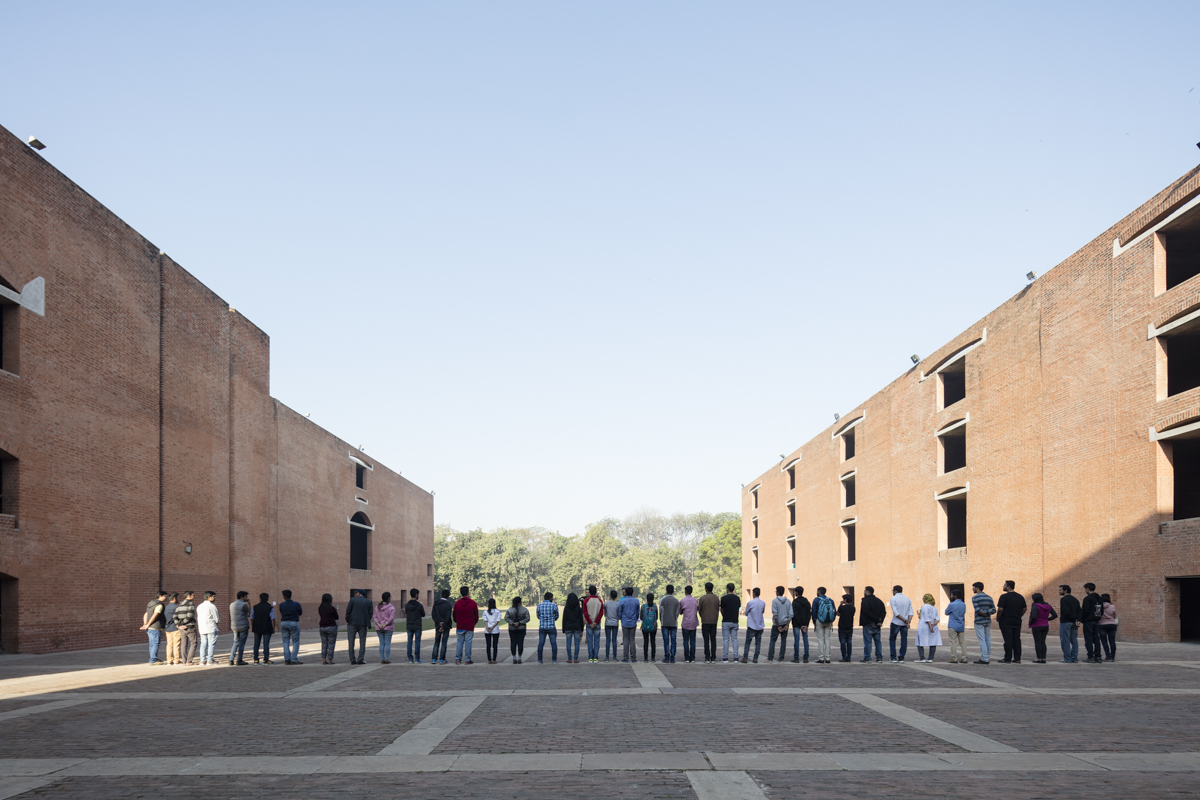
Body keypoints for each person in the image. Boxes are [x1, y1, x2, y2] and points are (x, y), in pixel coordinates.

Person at [996, 580, 1027, 664]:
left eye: (1004, 585)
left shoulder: (1003, 597)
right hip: (1017, 620)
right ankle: (1017, 658)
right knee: (1017, 639)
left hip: (1006, 620)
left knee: (1008, 640)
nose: (1003, 586)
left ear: (1008, 586)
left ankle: (1008, 658)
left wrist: (998, 618)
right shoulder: (1020, 597)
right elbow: (1024, 608)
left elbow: (1000, 609)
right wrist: (1019, 615)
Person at [1028, 592, 1057, 663]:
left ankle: (1039, 658)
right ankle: (1043, 658)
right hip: (1045, 625)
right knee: (1043, 642)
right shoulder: (1048, 606)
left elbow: (1034, 616)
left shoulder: (1035, 606)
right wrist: (1047, 619)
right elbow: (1055, 615)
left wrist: (1031, 622)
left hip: (1037, 625)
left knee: (1037, 642)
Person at [453, 586, 480, 665]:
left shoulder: (457, 603)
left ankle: (458, 659)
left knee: (459, 642)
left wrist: (457, 621)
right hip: (469, 626)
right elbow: (476, 615)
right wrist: (473, 623)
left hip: (460, 626)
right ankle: (467, 659)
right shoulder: (473, 603)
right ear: (468, 592)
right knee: (468, 642)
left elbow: (454, 615)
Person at [139, 590, 167, 665]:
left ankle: (153, 658)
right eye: (165, 596)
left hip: (150, 628)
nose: (166, 598)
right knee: (155, 643)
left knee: (152, 644)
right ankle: (153, 659)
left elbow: (146, 614)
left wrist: (145, 624)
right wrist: (148, 624)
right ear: (160, 596)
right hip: (155, 627)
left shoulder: (151, 603)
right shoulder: (159, 605)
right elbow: (155, 615)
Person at [346, 589, 373, 665]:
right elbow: (370, 613)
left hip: (352, 623)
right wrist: (366, 620)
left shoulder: (352, 600)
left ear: (359, 593)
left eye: (357, 593)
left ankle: (352, 659)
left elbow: (348, 611)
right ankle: (360, 659)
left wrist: (348, 620)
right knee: (362, 641)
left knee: (351, 641)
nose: (356, 594)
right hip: (363, 623)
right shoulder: (368, 601)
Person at [859, 586, 886, 663]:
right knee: (878, 642)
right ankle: (879, 657)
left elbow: (867, 612)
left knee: (868, 642)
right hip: (877, 625)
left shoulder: (865, 601)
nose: (864, 592)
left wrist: (877, 619)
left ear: (867, 592)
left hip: (868, 624)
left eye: (865, 591)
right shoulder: (879, 601)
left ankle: (867, 657)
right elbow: (883, 612)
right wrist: (880, 620)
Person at [971, 582, 995, 665]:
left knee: (982, 640)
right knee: (987, 639)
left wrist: (983, 612)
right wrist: (987, 612)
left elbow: (978, 610)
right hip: (987, 620)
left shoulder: (975, 598)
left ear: (977, 588)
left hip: (979, 621)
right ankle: (987, 656)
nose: (972, 589)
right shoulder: (989, 598)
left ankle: (984, 658)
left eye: (973, 587)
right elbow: (994, 610)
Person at [1081, 583, 1105, 664]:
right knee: (1096, 639)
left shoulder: (1087, 599)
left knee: (1088, 639)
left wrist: (1081, 619)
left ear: (1087, 589)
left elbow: (1085, 611)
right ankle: (1098, 656)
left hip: (1088, 621)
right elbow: (1101, 611)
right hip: (1096, 620)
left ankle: (1090, 656)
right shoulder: (1100, 599)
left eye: (1085, 589)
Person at [767, 586, 792, 662]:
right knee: (783, 641)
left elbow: (775, 614)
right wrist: (787, 625)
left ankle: (770, 657)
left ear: (777, 592)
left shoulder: (775, 601)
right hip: (785, 623)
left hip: (776, 624)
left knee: (773, 641)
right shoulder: (788, 601)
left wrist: (778, 625)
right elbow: (791, 614)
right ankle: (781, 657)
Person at [811, 587, 836, 664]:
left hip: (819, 620)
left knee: (820, 639)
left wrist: (814, 621)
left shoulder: (816, 600)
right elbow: (834, 611)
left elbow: (814, 612)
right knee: (827, 639)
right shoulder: (830, 600)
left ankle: (821, 658)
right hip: (828, 621)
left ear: (818, 592)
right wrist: (832, 620)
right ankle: (828, 658)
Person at [914, 593, 942, 662]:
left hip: (924, 626)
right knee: (933, 642)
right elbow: (937, 618)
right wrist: (933, 625)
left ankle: (922, 658)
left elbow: (926, 618)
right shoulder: (934, 608)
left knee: (920, 642)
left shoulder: (924, 606)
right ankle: (930, 658)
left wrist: (930, 626)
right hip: (934, 626)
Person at [888, 586, 913, 663]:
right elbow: (911, 612)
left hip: (896, 622)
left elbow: (896, 613)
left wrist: (904, 620)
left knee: (892, 639)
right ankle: (901, 657)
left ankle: (893, 657)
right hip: (904, 624)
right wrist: (908, 622)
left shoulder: (893, 599)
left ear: (895, 591)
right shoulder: (907, 599)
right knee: (904, 640)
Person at [173, 591, 198, 666]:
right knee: (193, 643)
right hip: (189, 626)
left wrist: (179, 624)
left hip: (181, 628)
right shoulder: (190, 604)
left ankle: (184, 660)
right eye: (193, 595)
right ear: (189, 595)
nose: (194, 596)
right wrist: (183, 623)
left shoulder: (179, 605)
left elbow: (174, 616)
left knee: (184, 644)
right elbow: (190, 616)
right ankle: (189, 661)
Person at [741, 587, 765, 663]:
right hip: (760, 625)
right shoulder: (763, 603)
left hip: (751, 625)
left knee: (748, 642)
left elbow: (746, 613)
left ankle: (745, 657)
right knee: (758, 643)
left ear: (754, 593)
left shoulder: (750, 603)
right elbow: (762, 611)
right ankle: (755, 658)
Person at [698, 582, 720, 663]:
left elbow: (699, 610)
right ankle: (713, 657)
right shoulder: (716, 598)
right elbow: (718, 609)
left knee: (706, 640)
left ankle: (707, 657)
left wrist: (703, 616)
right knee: (713, 639)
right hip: (714, 621)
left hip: (705, 621)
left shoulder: (702, 598)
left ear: (706, 589)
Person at [280, 589, 304, 665]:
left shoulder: (281, 605)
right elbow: (300, 612)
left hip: (284, 622)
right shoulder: (296, 604)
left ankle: (287, 659)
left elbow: (281, 612)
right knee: (295, 641)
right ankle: (294, 659)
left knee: (285, 641)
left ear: (284, 596)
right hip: (293, 622)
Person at [251, 592, 276, 665]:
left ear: (260, 598)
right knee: (266, 644)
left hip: (257, 627)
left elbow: (251, 618)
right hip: (267, 627)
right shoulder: (270, 608)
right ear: (267, 599)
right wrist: (273, 627)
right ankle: (265, 660)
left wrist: (253, 626)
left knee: (256, 644)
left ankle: (256, 660)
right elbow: (272, 618)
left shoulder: (255, 607)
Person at [1058, 585, 1081, 664]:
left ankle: (1067, 658)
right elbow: (1079, 611)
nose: (1059, 591)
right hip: (1075, 623)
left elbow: (1066, 611)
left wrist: (1073, 619)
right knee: (1074, 641)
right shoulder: (1075, 600)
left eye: (1060, 590)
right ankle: (1074, 658)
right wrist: (1077, 620)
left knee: (1065, 640)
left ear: (1065, 591)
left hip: (1066, 622)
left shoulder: (1063, 599)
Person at [583, 585, 606, 663]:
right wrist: (596, 622)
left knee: (589, 641)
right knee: (596, 641)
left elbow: (585, 613)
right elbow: (601, 613)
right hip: (597, 623)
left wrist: (590, 622)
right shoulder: (599, 601)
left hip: (589, 623)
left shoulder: (586, 601)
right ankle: (595, 657)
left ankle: (590, 657)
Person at [943, 590, 967, 664]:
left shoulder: (952, 604)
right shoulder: (963, 604)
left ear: (955, 596)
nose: (951, 596)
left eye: (952, 595)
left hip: (953, 625)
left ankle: (954, 657)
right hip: (961, 624)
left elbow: (946, 612)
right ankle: (964, 658)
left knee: (953, 642)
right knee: (962, 642)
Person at [197, 591, 220, 666]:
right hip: (211, 627)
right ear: (209, 597)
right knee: (211, 644)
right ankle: (210, 660)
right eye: (213, 596)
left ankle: (202, 660)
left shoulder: (199, 606)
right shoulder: (212, 606)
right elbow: (216, 618)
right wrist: (217, 623)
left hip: (202, 627)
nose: (214, 598)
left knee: (203, 644)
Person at [228, 591, 251, 666]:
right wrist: (249, 604)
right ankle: (239, 660)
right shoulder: (244, 604)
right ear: (242, 597)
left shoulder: (231, 604)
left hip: (234, 626)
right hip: (243, 626)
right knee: (242, 643)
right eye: (246, 597)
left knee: (235, 642)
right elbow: (249, 613)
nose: (246, 598)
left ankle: (231, 659)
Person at [720, 583, 742, 663]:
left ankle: (725, 657)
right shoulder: (737, 598)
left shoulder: (724, 598)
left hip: (726, 621)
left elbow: (722, 609)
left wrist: (724, 615)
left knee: (726, 640)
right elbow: (738, 608)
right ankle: (736, 657)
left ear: (727, 589)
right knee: (734, 639)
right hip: (735, 621)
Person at [537, 591, 560, 664]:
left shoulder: (539, 605)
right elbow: (557, 615)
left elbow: (538, 616)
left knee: (541, 643)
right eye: (552, 598)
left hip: (542, 627)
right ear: (550, 598)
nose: (552, 599)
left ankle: (540, 660)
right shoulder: (554, 605)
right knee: (553, 643)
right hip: (551, 626)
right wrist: (552, 619)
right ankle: (554, 660)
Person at [431, 589, 453, 665]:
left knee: (436, 642)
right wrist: (443, 625)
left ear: (441, 595)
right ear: (448, 596)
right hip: (446, 626)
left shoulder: (436, 604)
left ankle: (433, 659)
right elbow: (448, 616)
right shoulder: (448, 605)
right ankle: (442, 659)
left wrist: (439, 623)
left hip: (438, 625)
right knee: (444, 642)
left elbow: (433, 615)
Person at [373, 592, 396, 664]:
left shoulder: (377, 607)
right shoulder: (391, 607)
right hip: (388, 627)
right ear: (388, 598)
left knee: (381, 643)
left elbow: (374, 617)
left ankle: (382, 658)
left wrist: (379, 624)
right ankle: (387, 659)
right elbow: (391, 617)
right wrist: (385, 624)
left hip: (379, 627)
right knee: (387, 643)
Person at [660, 585, 680, 664]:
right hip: (673, 623)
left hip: (664, 622)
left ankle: (667, 656)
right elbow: (677, 613)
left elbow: (661, 612)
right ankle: (672, 657)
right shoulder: (676, 600)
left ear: (666, 590)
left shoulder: (662, 600)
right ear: (673, 591)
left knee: (666, 640)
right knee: (673, 640)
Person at [619, 587, 640, 662]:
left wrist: (622, 619)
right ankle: (633, 658)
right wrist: (635, 619)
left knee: (625, 640)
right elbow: (638, 613)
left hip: (625, 622)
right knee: (632, 640)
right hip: (633, 622)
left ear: (626, 593)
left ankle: (625, 657)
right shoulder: (636, 601)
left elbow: (620, 612)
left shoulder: (622, 601)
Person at [404, 588, 425, 663]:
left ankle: (410, 658)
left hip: (409, 625)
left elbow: (406, 612)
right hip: (417, 626)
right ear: (416, 595)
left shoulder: (407, 605)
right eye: (418, 594)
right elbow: (423, 614)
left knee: (409, 642)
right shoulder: (419, 605)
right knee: (417, 642)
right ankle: (417, 658)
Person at [506, 596, 529, 663]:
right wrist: (519, 623)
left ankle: (514, 658)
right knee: (520, 643)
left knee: (513, 642)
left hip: (512, 628)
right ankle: (519, 657)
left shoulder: (510, 609)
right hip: (521, 628)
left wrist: (513, 623)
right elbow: (527, 618)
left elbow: (506, 618)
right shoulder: (524, 609)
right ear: (520, 602)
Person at [791, 587, 811, 664]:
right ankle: (806, 657)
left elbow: (795, 614)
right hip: (805, 624)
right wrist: (805, 624)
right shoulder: (807, 602)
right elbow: (809, 614)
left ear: (797, 592)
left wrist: (800, 624)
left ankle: (796, 657)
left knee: (796, 640)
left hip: (796, 624)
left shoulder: (795, 602)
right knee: (805, 639)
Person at [318, 593, 339, 665]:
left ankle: (324, 659)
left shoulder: (320, 608)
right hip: (331, 626)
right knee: (331, 644)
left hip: (322, 627)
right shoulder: (332, 608)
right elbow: (336, 617)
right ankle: (330, 659)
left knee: (324, 643)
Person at [680, 585, 699, 663]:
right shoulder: (695, 601)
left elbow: (680, 612)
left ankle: (686, 657)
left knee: (685, 641)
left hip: (685, 623)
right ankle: (692, 657)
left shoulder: (682, 601)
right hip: (693, 623)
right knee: (693, 641)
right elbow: (697, 610)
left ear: (685, 591)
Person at [563, 592, 584, 664]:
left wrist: (563, 628)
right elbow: (581, 619)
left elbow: (564, 619)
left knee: (568, 642)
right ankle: (575, 658)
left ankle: (569, 658)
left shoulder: (566, 608)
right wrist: (582, 628)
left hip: (568, 626)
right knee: (577, 643)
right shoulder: (578, 608)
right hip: (577, 626)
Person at [483, 597, 503, 664]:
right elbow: (497, 621)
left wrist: (488, 627)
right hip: (495, 629)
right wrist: (492, 627)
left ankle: (489, 659)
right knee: (495, 645)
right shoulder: (497, 612)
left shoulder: (485, 612)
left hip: (487, 630)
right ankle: (494, 659)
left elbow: (485, 620)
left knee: (488, 645)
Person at [836, 593, 856, 663]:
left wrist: (840, 604)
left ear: (845, 600)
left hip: (842, 626)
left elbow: (838, 613)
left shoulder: (842, 607)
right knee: (849, 642)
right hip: (850, 626)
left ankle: (844, 657)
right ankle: (849, 657)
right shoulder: (853, 608)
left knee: (842, 642)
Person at [640, 592, 659, 663]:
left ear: (646, 599)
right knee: (653, 641)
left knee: (645, 641)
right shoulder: (655, 606)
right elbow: (656, 617)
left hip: (645, 626)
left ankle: (645, 657)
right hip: (653, 626)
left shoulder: (643, 606)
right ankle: (653, 657)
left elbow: (641, 617)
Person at [1098, 594, 1118, 662]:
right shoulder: (1112, 606)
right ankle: (1112, 657)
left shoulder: (1099, 606)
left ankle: (1107, 656)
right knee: (1112, 641)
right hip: (1112, 624)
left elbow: (1097, 615)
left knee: (1104, 642)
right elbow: (1115, 616)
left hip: (1102, 625)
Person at [163, 593, 180, 666]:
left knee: (169, 644)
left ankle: (169, 660)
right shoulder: (177, 607)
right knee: (176, 644)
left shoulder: (166, 607)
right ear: (174, 599)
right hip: (175, 627)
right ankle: (176, 659)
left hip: (168, 628)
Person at [604, 590, 621, 662]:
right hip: (615, 623)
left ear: (610, 596)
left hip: (608, 622)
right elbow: (619, 614)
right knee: (614, 640)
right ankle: (614, 657)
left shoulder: (606, 603)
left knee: (608, 640)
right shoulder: (618, 604)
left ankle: (607, 657)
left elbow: (605, 613)